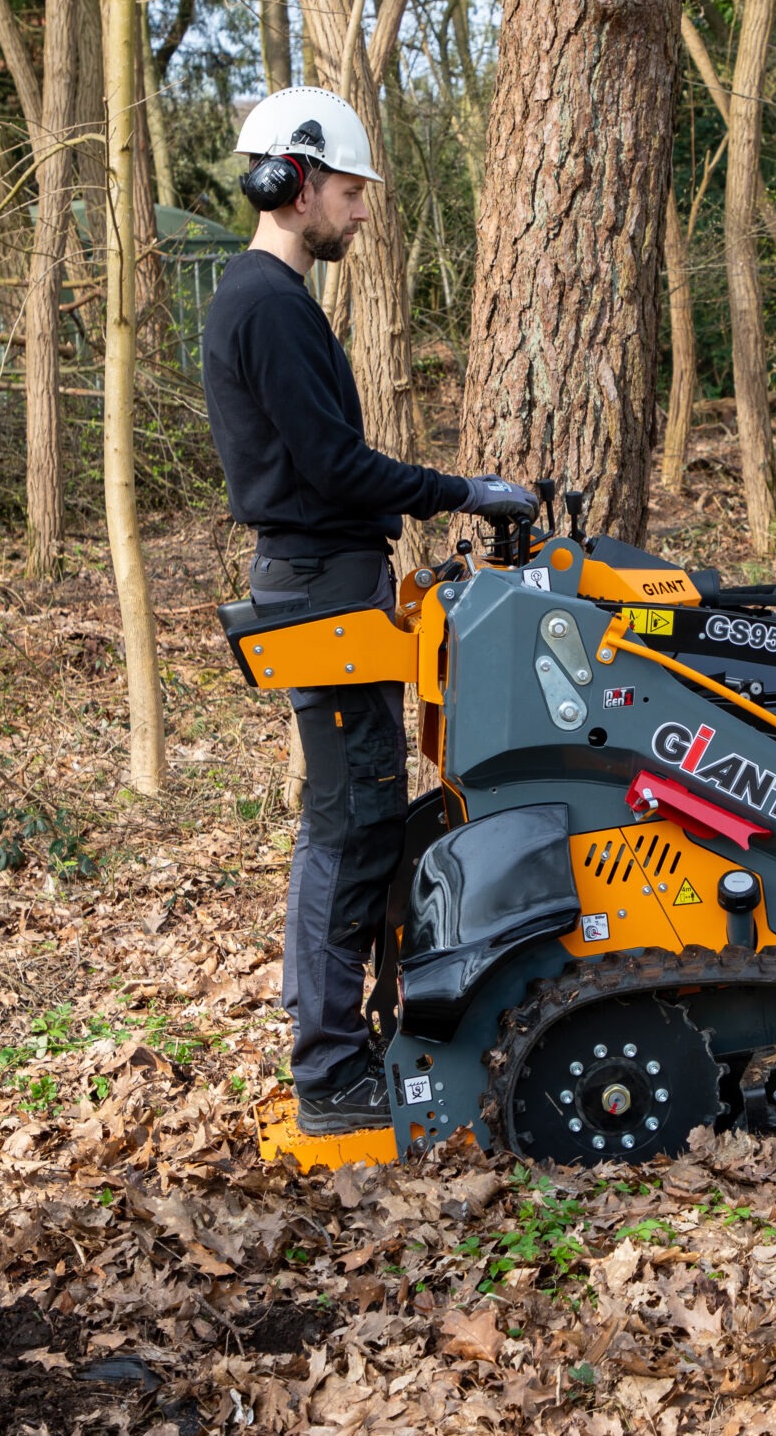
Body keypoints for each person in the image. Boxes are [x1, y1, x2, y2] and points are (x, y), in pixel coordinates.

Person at [202, 86, 533, 1134]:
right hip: (316, 581)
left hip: (324, 576)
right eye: (347, 192)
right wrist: (462, 491)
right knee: (350, 829)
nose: (358, 213)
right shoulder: (266, 303)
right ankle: (331, 1073)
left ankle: (343, 1041)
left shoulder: (272, 299)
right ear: (288, 182)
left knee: (351, 823)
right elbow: (336, 467)